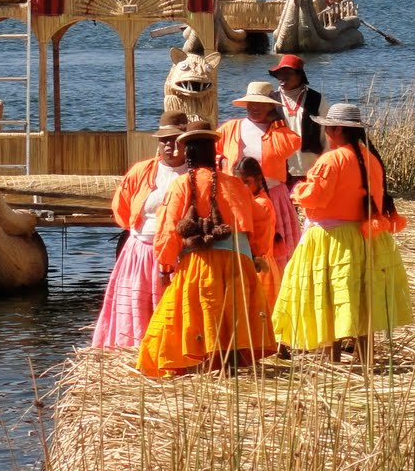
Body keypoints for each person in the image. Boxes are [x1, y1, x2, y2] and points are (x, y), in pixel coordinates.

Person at [272, 103, 414, 364]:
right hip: (365, 237)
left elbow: (316, 198)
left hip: (331, 238)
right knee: (360, 295)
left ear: (336, 129)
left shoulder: (331, 160)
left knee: (329, 295)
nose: (324, 130)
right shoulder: (371, 159)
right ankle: (365, 356)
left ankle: (333, 357)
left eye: (327, 126)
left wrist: (297, 191)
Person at [136, 120, 275, 375]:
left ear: (187, 153)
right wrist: (255, 253)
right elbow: (263, 218)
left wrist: (166, 264)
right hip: (237, 262)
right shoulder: (234, 184)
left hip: (200, 264)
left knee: (202, 314)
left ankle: (203, 366)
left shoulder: (181, 185)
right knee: (231, 315)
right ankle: (229, 368)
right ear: (213, 152)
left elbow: (168, 228)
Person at [91, 116, 187, 349]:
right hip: (141, 253)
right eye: (164, 140)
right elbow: (122, 206)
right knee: (137, 304)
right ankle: (133, 347)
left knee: (172, 306)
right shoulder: (142, 171)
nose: (169, 146)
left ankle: (170, 351)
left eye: (176, 140)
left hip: (179, 254)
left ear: (187, 143)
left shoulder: (194, 173)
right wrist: (140, 234)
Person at [217, 81, 303, 281]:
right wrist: (221, 162)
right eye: (251, 103)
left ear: (271, 106)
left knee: (273, 245)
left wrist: (278, 122)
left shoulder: (280, 133)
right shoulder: (231, 127)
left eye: (261, 104)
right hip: (236, 196)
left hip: (272, 195)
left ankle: (273, 281)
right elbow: (215, 151)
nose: (254, 107)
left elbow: (289, 145)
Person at [237, 156, 283, 328]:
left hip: (260, 264)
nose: (242, 187)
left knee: (262, 317)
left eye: (246, 182)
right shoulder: (251, 202)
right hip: (255, 262)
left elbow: (257, 241)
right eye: (238, 182)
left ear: (257, 180)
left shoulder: (261, 204)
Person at [270, 54, 328, 176]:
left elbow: (326, 134)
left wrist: (324, 164)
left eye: (287, 73)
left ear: (299, 76)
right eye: (280, 73)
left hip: (311, 169)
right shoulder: (271, 100)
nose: (282, 77)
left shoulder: (316, 99)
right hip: (280, 170)